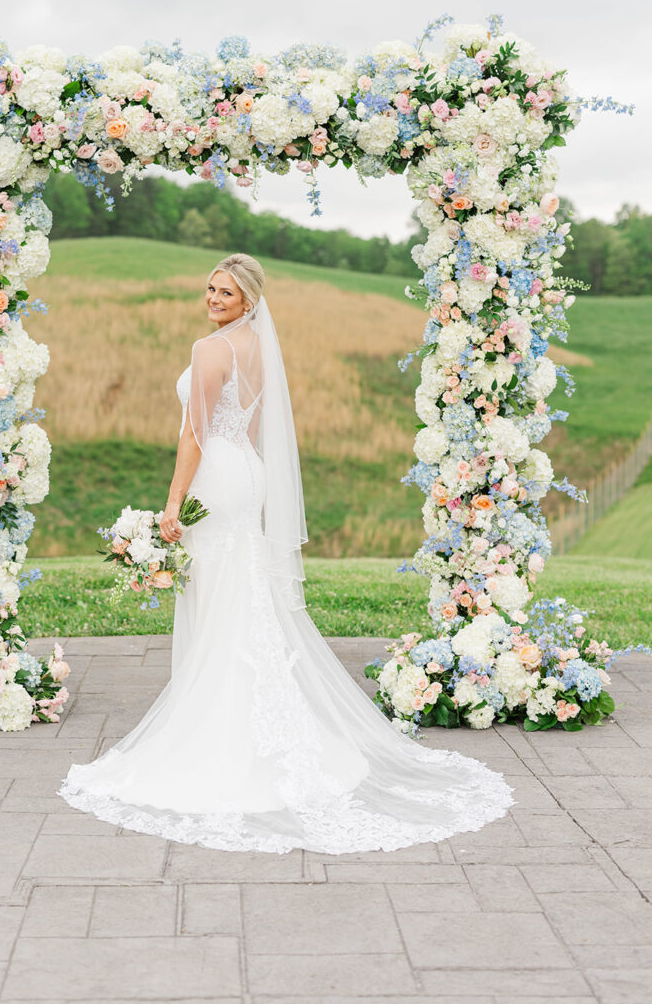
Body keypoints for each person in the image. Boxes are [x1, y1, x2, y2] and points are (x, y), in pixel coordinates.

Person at [58, 253, 515, 853]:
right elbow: (250, 428)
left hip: (216, 478)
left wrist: (172, 502)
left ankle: (220, 731)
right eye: (210, 288)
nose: (213, 298)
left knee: (221, 596)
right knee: (244, 592)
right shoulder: (257, 346)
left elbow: (195, 433)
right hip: (247, 474)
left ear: (248, 300)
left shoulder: (209, 349)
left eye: (225, 292)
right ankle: (261, 720)